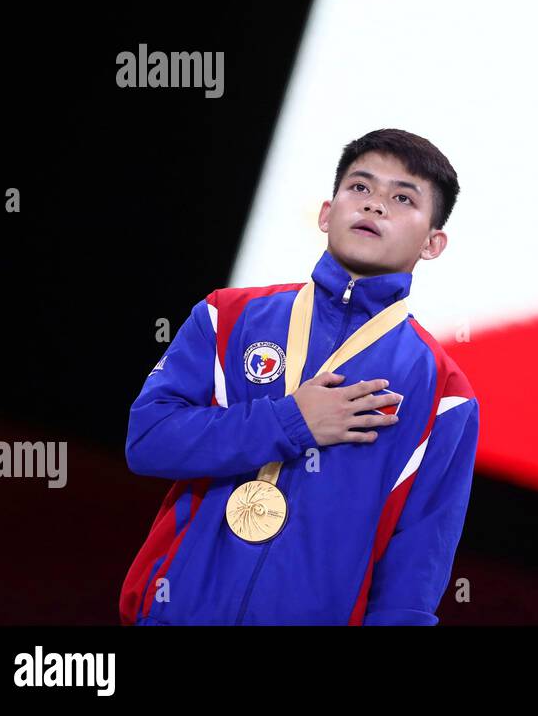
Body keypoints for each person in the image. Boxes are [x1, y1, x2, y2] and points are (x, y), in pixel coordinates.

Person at [119, 129, 479, 625]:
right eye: (361, 188)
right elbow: (149, 442)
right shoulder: (226, 317)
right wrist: (290, 422)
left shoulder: (444, 394)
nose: (375, 206)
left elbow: (418, 563)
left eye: (402, 197)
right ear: (327, 213)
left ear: (433, 243)